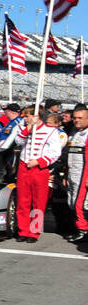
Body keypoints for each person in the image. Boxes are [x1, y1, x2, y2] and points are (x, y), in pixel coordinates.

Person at [3, 106, 66, 243]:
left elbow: (55, 152)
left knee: (39, 202)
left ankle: (34, 231)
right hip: (23, 167)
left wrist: (39, 161)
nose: (24, 118)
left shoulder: (50, 131)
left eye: (27, 116)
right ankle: (23, 230)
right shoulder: (24, 128)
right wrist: (29, 127)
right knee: (23, 201)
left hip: (39, 169)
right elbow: (19, 141)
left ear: (35, 115)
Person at [63, 104, 88, 243]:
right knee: (71, 201)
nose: (76, 120)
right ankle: (78, 228)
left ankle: (83, 230)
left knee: (80, 203)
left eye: (80, 118)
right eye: (75, 118)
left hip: (83, 174)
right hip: (72, 173)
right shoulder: (74, 133)